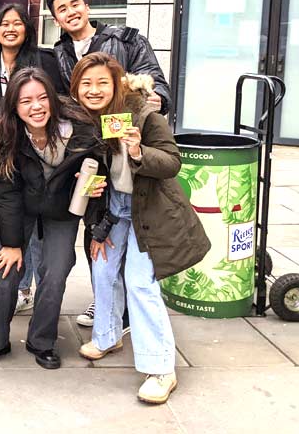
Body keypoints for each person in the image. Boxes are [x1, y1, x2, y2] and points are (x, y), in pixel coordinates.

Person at [70, 52, 209, 403]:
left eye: (102, 82)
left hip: (150, 212)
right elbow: (99, 175)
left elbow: (172, 162)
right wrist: (90, 189)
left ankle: (162, 369)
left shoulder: (146, 115)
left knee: (138, 282)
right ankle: (107, 336)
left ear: (117, 83)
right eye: (86, 83)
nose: (94, 89)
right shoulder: (89, 121)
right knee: (101, 269)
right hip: (114, 211)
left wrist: (137, 151)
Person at [45, 0, 173, 328]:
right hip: (94, 148)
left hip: (129, 147)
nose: (70, 12)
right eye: (61, 9)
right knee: (98, 226)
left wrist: (155, 98)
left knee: (136, 226)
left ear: (86, 6)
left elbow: (157, 83)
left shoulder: (126, 38)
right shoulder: (59, 52)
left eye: (74, 4)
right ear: (56, 18)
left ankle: (132, 305)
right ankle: (107, 304)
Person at [0, 67, 99, 370]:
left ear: (53, 99)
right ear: (14, 105)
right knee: (5, 270)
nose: (36, 106)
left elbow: (100, 163)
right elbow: (4, 192)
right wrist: (13, 244)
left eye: (42, 98)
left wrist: (93, 181)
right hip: (18, 207)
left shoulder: (80, 128)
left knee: (56, 271)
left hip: (62, 209)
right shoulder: (3, 135)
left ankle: (42, 340)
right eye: (26, 101)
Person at [0, 4, 65, 315]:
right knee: (9, 221)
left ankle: (23, 287)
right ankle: (11, 285)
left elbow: (59, 104)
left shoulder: (44, 60)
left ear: (26, 29)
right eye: (4, 23)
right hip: (3, 157)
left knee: (34, 224)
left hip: (37, 151)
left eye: (17, 23)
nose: (10, 28)